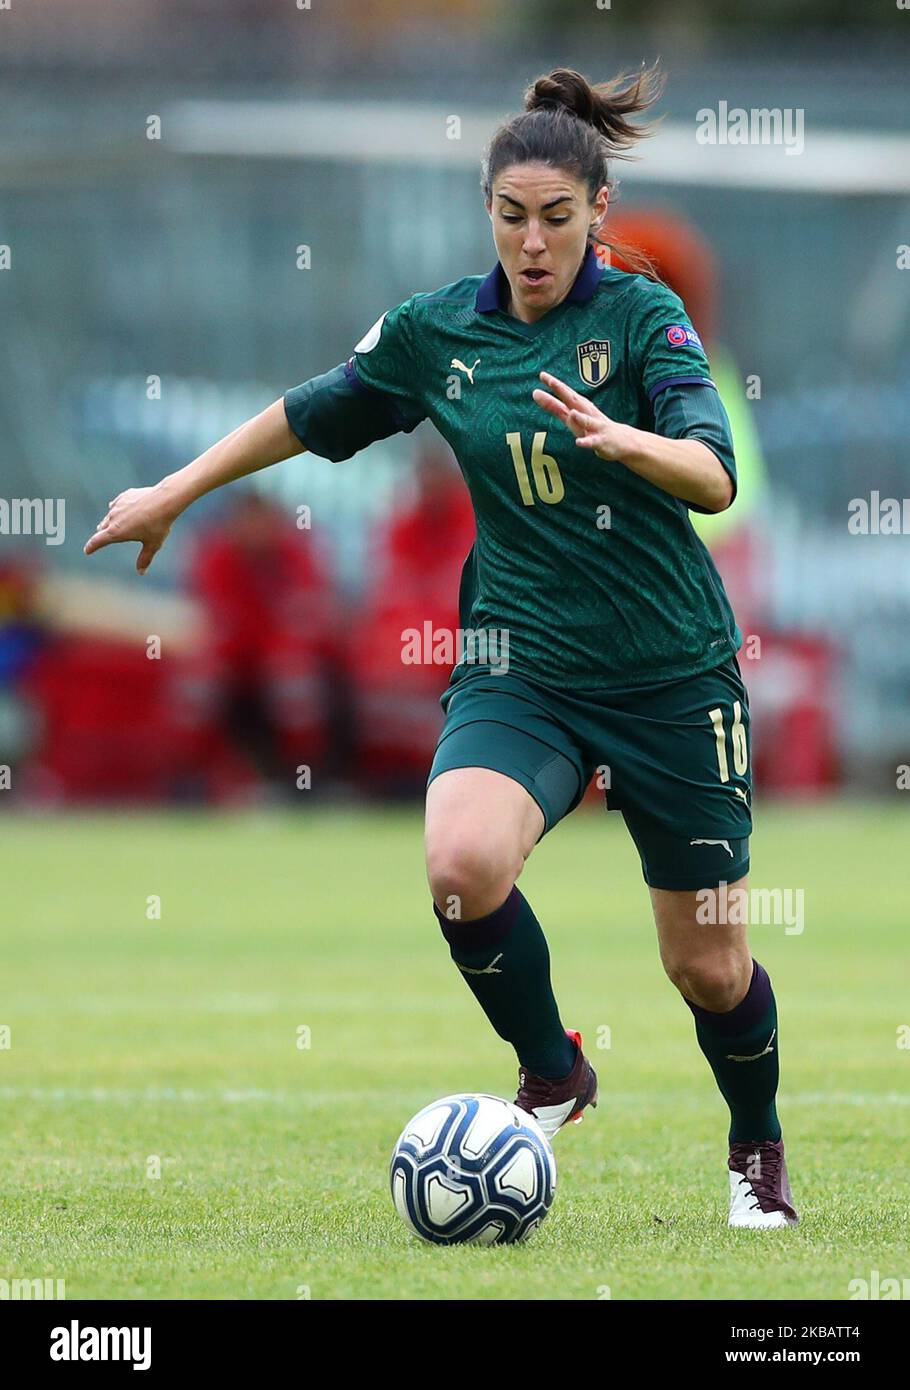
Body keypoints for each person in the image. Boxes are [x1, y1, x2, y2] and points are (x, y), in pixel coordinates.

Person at [84, 64, 797, 1230]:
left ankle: (755, 1149)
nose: (532, 243)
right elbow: (312, 409)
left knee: (707, 969)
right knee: (461, 868)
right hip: (522, 664)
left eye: (557, 219)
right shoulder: (439, 333)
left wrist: (623, 441)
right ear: (489, 216)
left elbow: (713, 475)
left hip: (670, 672)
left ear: (597, 215)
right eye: (510, 217)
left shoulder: (641, 316)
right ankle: (554, 1068)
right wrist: (174, 487)